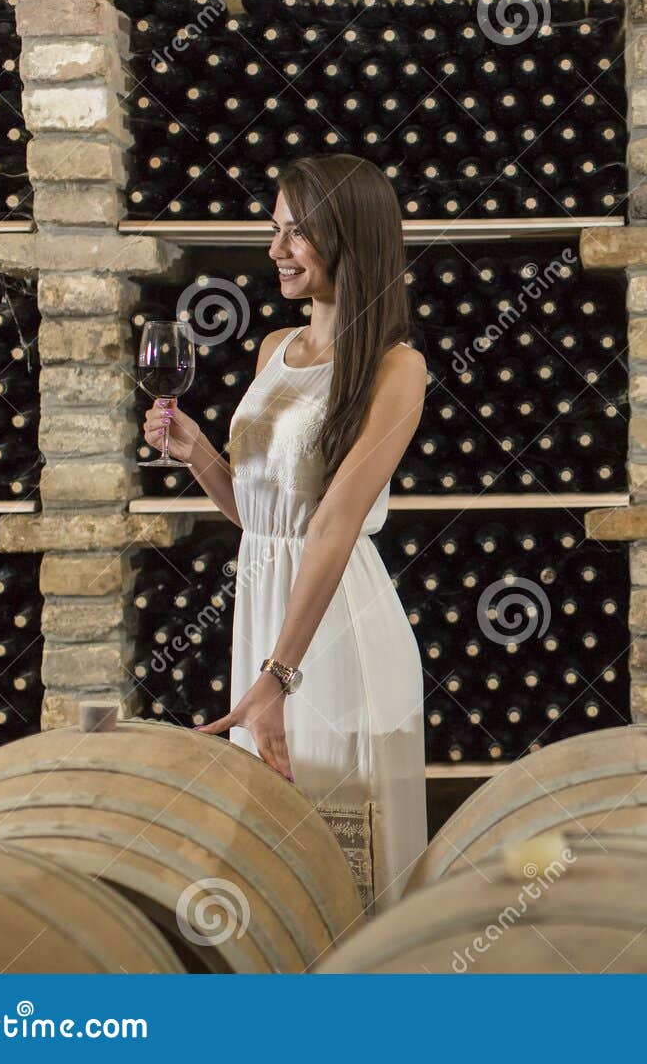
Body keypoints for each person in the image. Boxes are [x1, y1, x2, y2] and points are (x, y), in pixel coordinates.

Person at [142, 153, 428, 911]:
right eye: (275, 231)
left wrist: (279, 676)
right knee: (273, 867)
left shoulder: (398, 368)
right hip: (269, 626)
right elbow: (260, 518)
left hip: (333, 637)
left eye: (296, 234)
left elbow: (331, 525)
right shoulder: (274, 349)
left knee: (344, 862)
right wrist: (198, 450)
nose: (275, 252)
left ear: (351, 238)